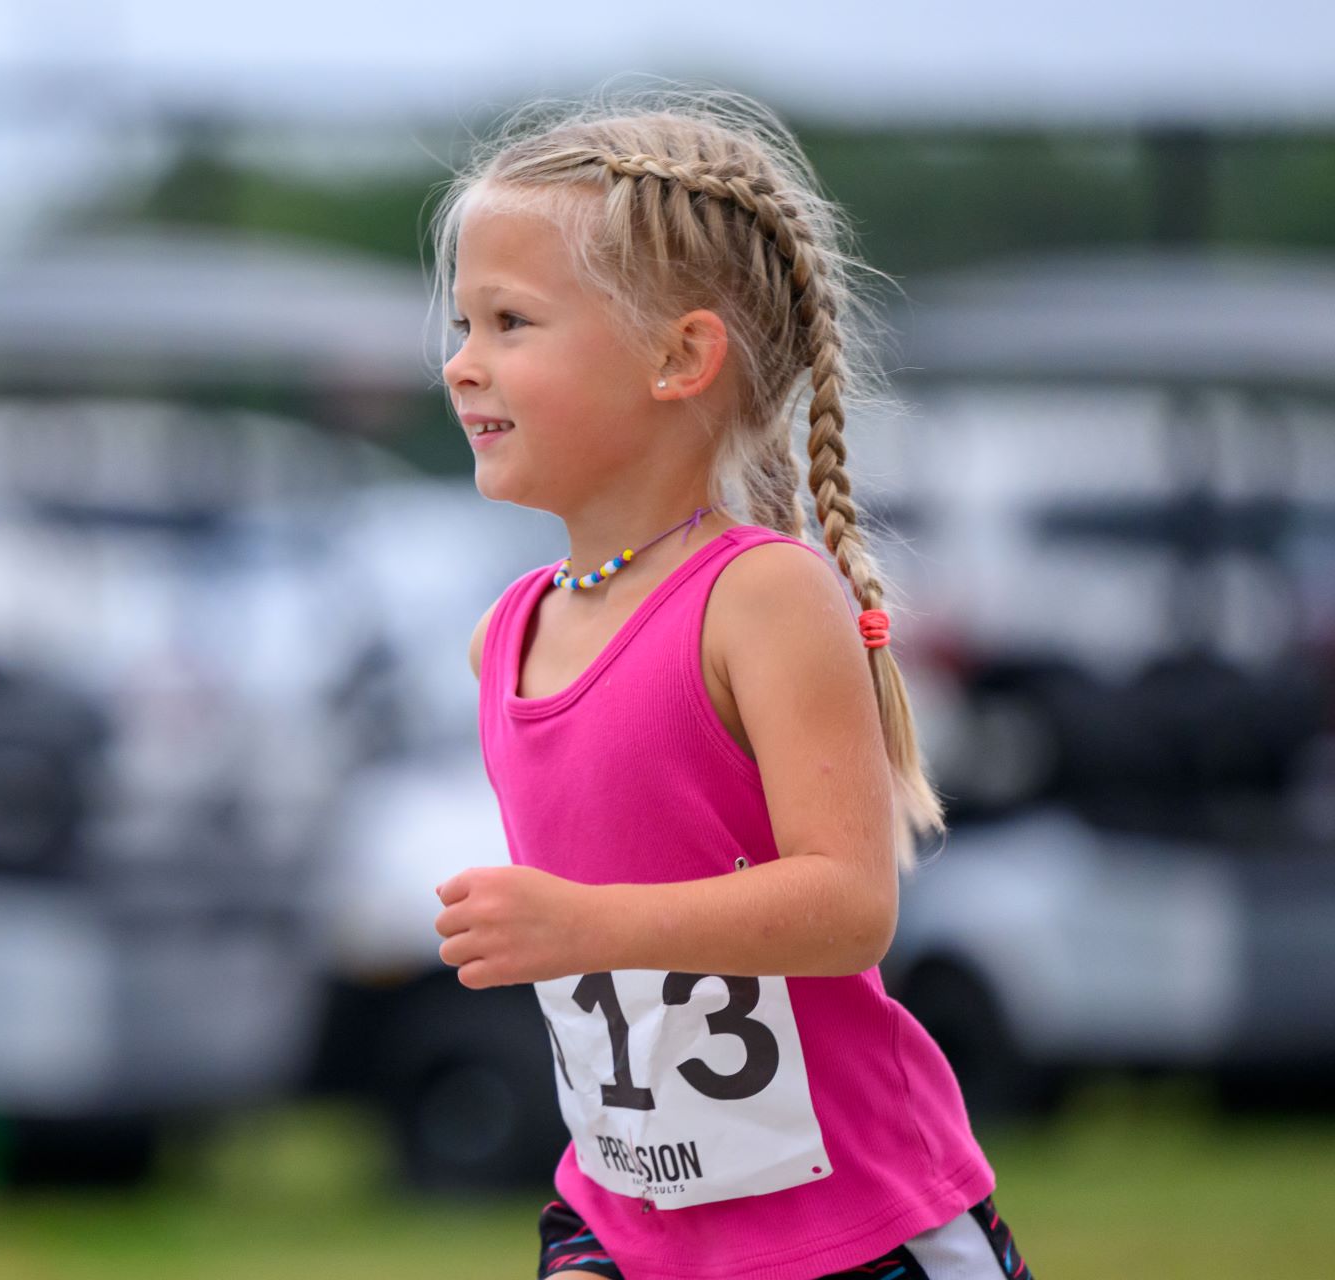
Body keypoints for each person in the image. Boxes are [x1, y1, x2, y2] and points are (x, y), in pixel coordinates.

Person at [426, 84, 1035, 1280]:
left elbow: (849, 904)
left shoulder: (761, 597)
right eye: (461, 323)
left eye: (510, 322)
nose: (462, 365)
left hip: (855, 1227)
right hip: (629, 1218)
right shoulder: (501, 635)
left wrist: (584, 925)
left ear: (681, 356)